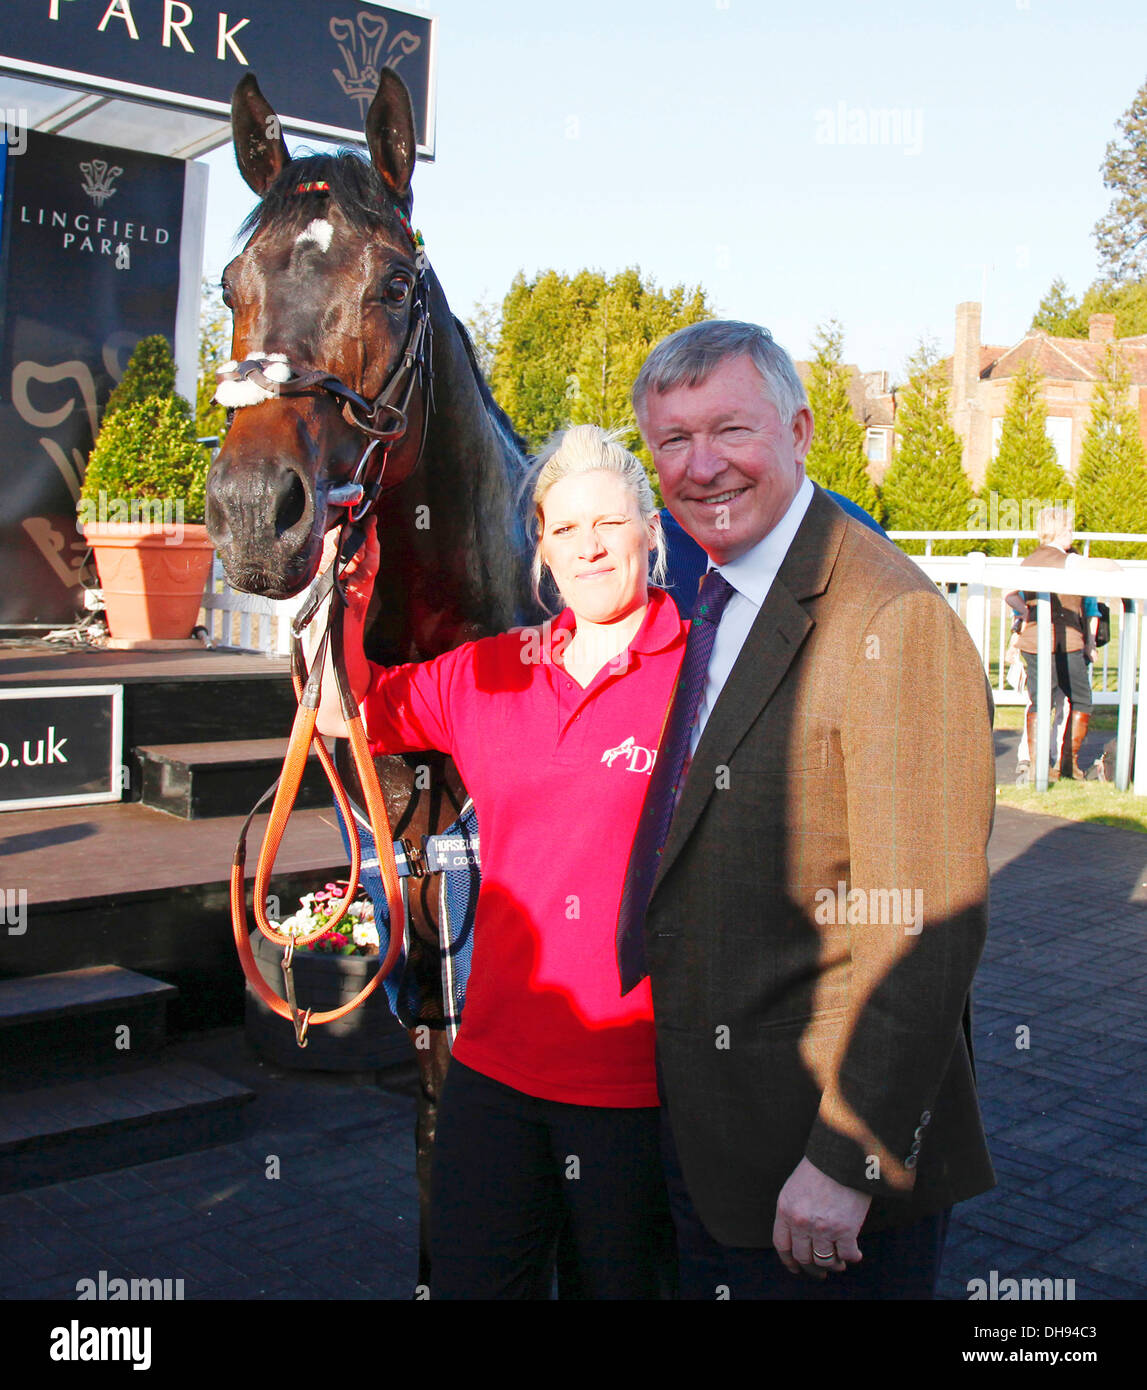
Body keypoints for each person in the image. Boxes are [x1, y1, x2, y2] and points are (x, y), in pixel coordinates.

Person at [616, 319, 997, 1299]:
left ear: (800, 430)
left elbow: (922, 928)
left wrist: (847, 1160)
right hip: (716, 1138)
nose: (701, 468)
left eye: (730, 430)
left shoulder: (888, 619)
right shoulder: (722, 591)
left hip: (816, 1186)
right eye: (672, 442)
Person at [313, 424, 685, 1299]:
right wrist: (346, 594)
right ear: (543, 555)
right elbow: (344, 713)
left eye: (610, 523)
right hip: (491, 1076)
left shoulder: (703, 673)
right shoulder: (493, 672)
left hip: (637, 1084)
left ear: (650, 532)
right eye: (564, 530)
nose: (588, 546)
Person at [1005, 509, 1103, 782]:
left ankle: (1038, 767)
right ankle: (1068, 764)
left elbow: (1008, 594)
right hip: (1067, 639)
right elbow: (1094, 587)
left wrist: (1025, 613)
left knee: (1040, 701)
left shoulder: (1029, 561)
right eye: (1069, 529)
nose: (1072, 534)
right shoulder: (1070, 561)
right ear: (1060, 531)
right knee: (1080, 698)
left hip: (1034, 639)